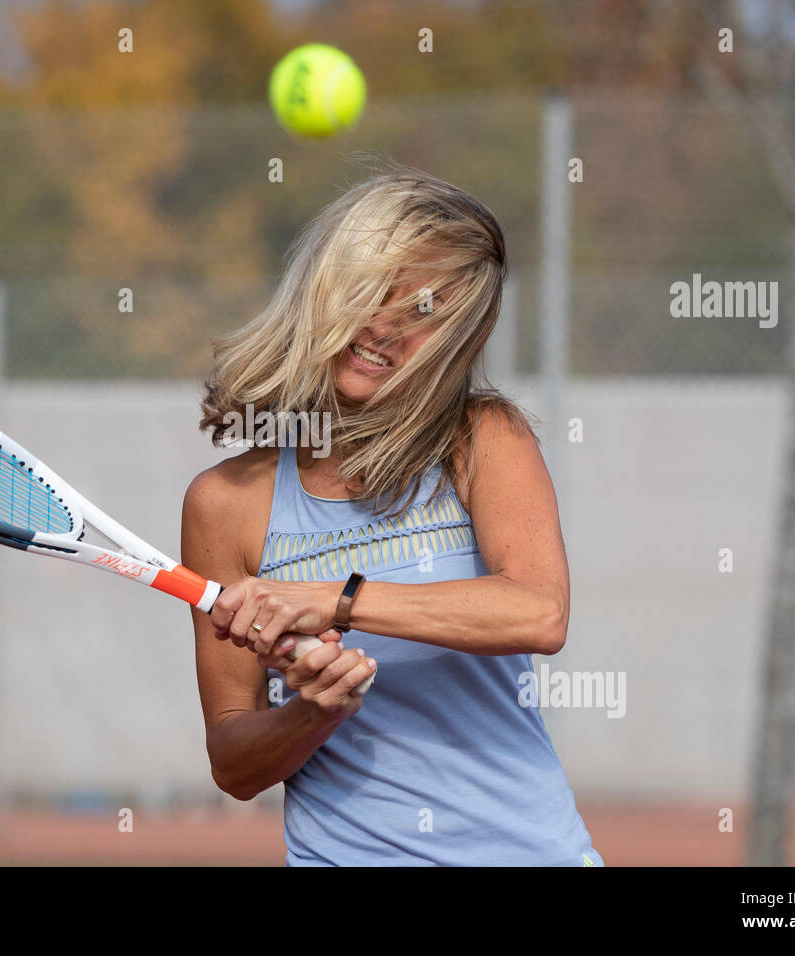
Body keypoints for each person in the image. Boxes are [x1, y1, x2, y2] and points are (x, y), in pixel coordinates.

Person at [182, 163, 602, 866]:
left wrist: (334, 601)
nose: (388, 328)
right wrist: (312, 714)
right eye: (378, 292)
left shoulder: (482, 439)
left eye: (426, 314)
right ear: (329, 283)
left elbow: (537, 613)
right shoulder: (224, 504)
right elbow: (235, 764)